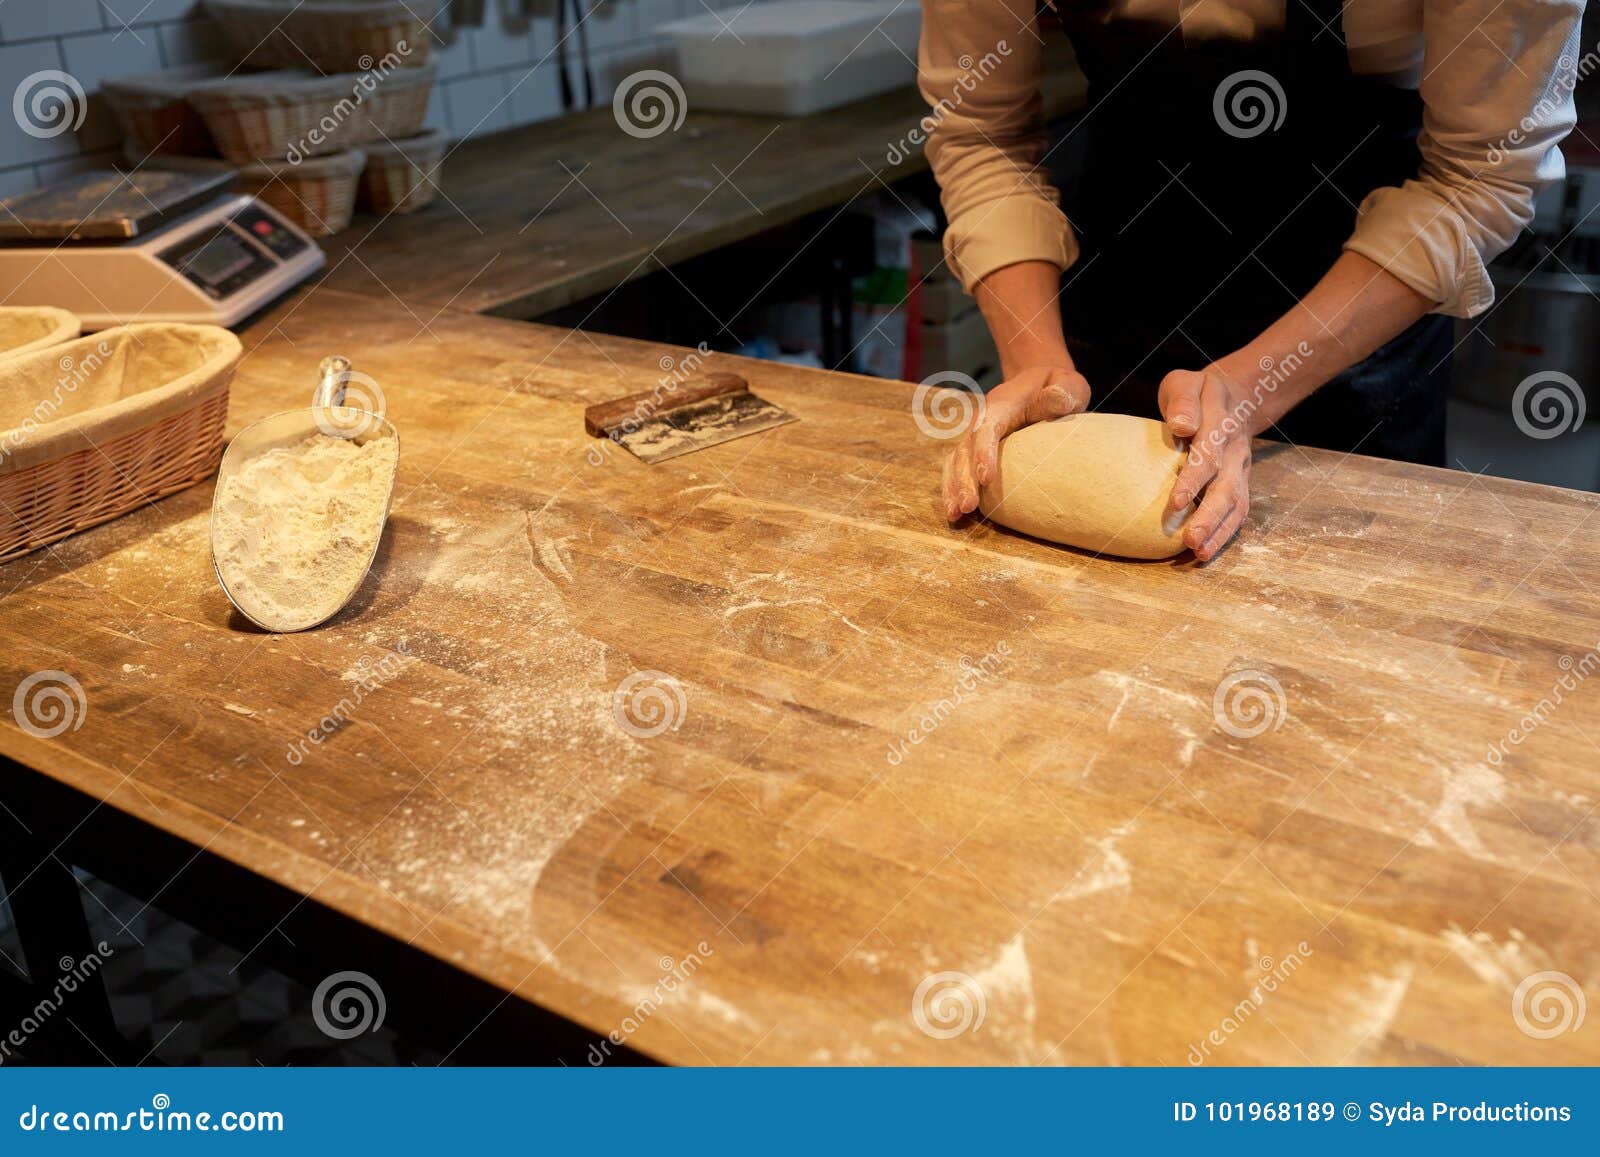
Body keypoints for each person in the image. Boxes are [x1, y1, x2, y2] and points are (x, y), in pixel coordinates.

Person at [923, 0, 1584, 560]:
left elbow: (1480, 175)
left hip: (1355, 322)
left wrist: (1258, 383)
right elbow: (983, 133)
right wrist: (1038, 360)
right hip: (1122, 280)